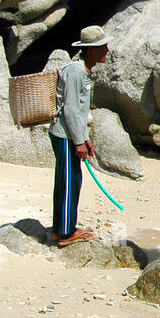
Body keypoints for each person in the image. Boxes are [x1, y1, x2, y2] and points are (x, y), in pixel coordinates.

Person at [49, 26, 109, 247]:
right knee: (68, 182)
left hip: (72, 135)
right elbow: (71, 110)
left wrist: (85, 139)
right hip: (65, 135)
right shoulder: (75, 71)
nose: (107, 50)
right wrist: (78, 141)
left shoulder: (84, 70)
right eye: (103, 46)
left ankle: (63, 228)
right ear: (91, 50)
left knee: (72, 180)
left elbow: (80, 111)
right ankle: (65, 233)